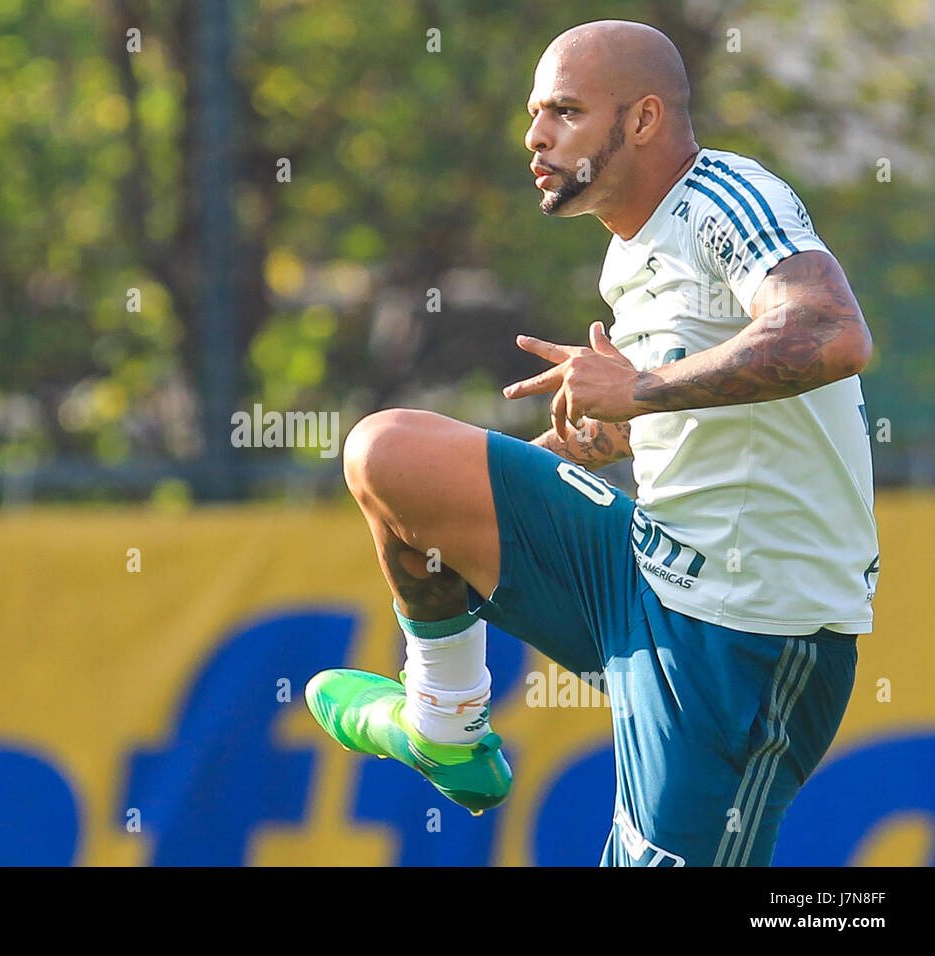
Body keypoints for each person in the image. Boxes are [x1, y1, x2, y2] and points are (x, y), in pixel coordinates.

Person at [305, 19, 879, 866]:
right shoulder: (626, 251)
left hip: (750, 636)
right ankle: (445, 725)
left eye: (565, 111)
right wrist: (623, 428)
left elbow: (832, 333)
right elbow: (713, 393)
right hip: (648, 564)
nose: (536, 136)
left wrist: (640, 390)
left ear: (644, 120)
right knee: (390, 454)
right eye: (537, 113)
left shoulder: (723, 195)